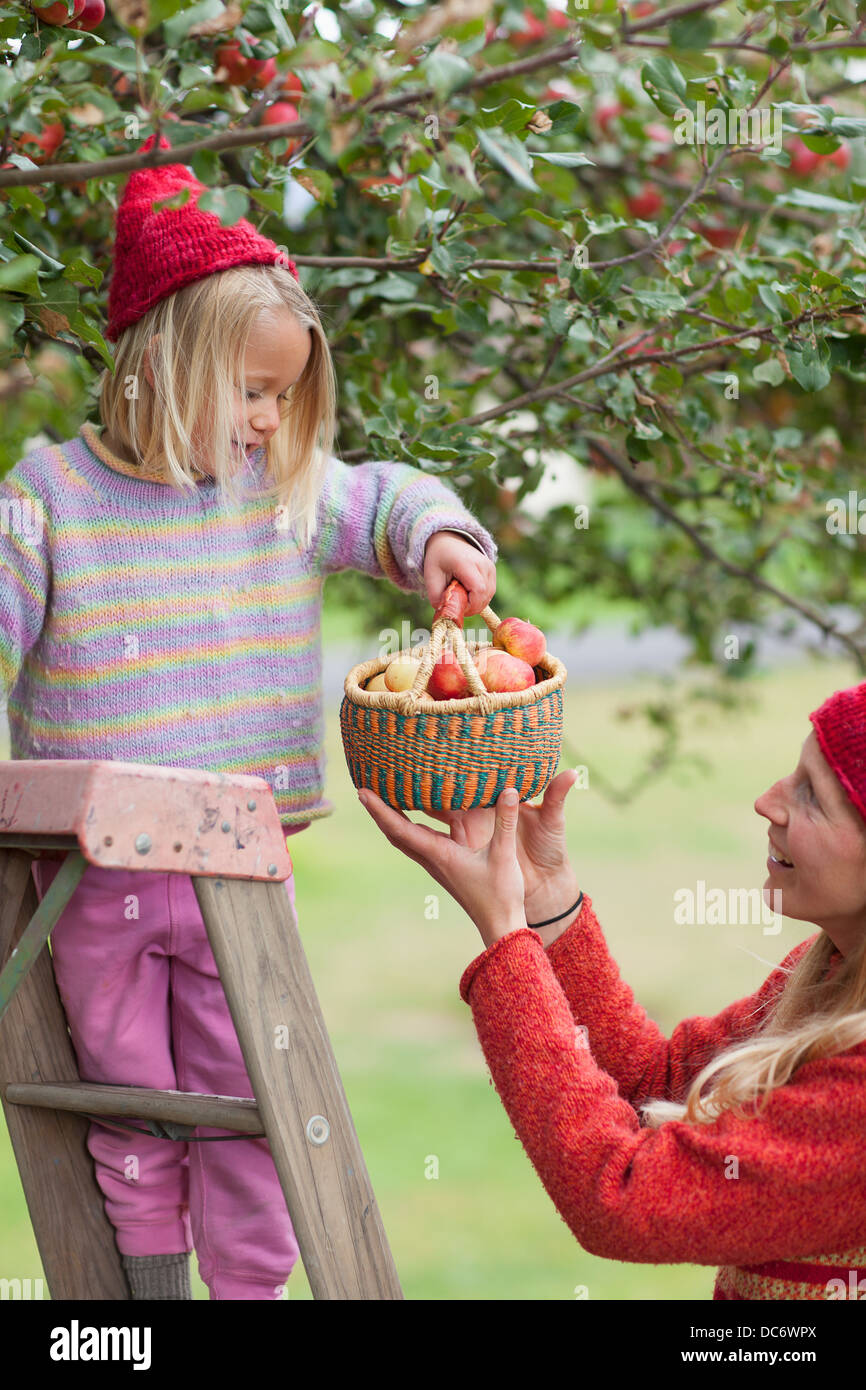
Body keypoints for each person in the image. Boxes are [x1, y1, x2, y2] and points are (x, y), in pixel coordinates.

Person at [0, 131, 499, 1300]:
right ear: (161, 363)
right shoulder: (49, 500)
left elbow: (382, 497)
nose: (273, 419)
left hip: (239, 870)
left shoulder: (278, 494)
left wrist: (434, 538)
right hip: (90, 874)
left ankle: (252, 1288)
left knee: (249, 1098)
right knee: (127, 1099)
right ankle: (150, 1293)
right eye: (255, 390)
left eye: (285, 396)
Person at [358, 683, 866, 1300]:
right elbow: (660, 1086)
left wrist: (507, 940)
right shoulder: (831, 976)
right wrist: (544, 904)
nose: (768, 801)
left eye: (812, 795)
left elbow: (621, 1193)